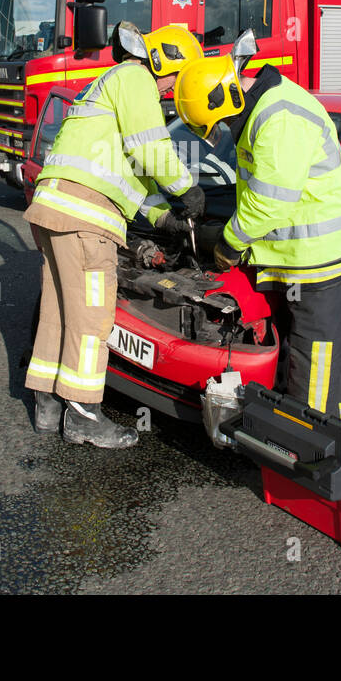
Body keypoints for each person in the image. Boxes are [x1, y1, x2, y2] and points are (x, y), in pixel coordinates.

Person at [24, 22, 204, 447]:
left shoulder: (108, 85)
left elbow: (126, 175)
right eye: (179, 78)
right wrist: (187, 189)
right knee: (90, 316)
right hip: (86, 218)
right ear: (165, 62)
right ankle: (84, 416)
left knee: (58, 310)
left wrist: (164, 220)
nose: (173, 90)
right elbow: (152, 149)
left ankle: (48, 405)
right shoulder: (136, 78)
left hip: (54, 208)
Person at [173, 47, 341, 421]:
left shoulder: (279, 119)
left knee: (311, 369)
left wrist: (231, 242)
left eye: (221, 122)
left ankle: (312, 459)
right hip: (304, 258)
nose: (224, 129)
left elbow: (269, 201)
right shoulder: (267, 106)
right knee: (318, 360)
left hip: (318, 262)